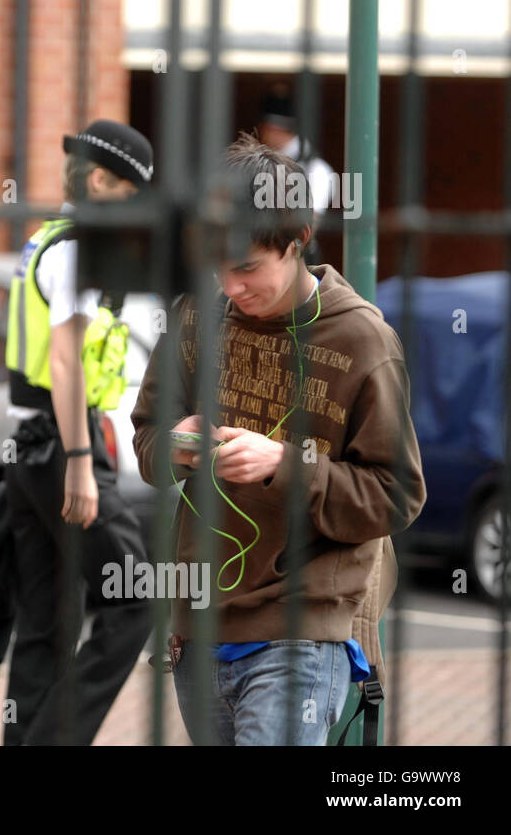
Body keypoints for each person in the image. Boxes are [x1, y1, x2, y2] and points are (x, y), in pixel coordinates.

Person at [130, 132, 425, 746]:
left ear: (296, 245)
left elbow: (396, 496)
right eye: (216, 267)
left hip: (303, 631)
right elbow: (147, 445)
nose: (231, 286)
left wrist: (285, 466)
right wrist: (176, 444)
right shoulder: (195, 319)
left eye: (246, 268)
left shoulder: (361, 341)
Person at [0, 120, 155, 745]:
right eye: (132, 192)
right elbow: (65, 359)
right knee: (136, 596)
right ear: (99, 181)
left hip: (29, 445)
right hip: (59, 445)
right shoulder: (75, 248)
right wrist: (81, 460)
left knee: (48, 621)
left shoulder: (46, 240)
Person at [257, 87, 337, 261]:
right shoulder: (263, 163)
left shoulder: (316, 168)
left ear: (274, 128)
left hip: (295, 256)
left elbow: (310, 220)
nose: (262, 134)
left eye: (265, 128)